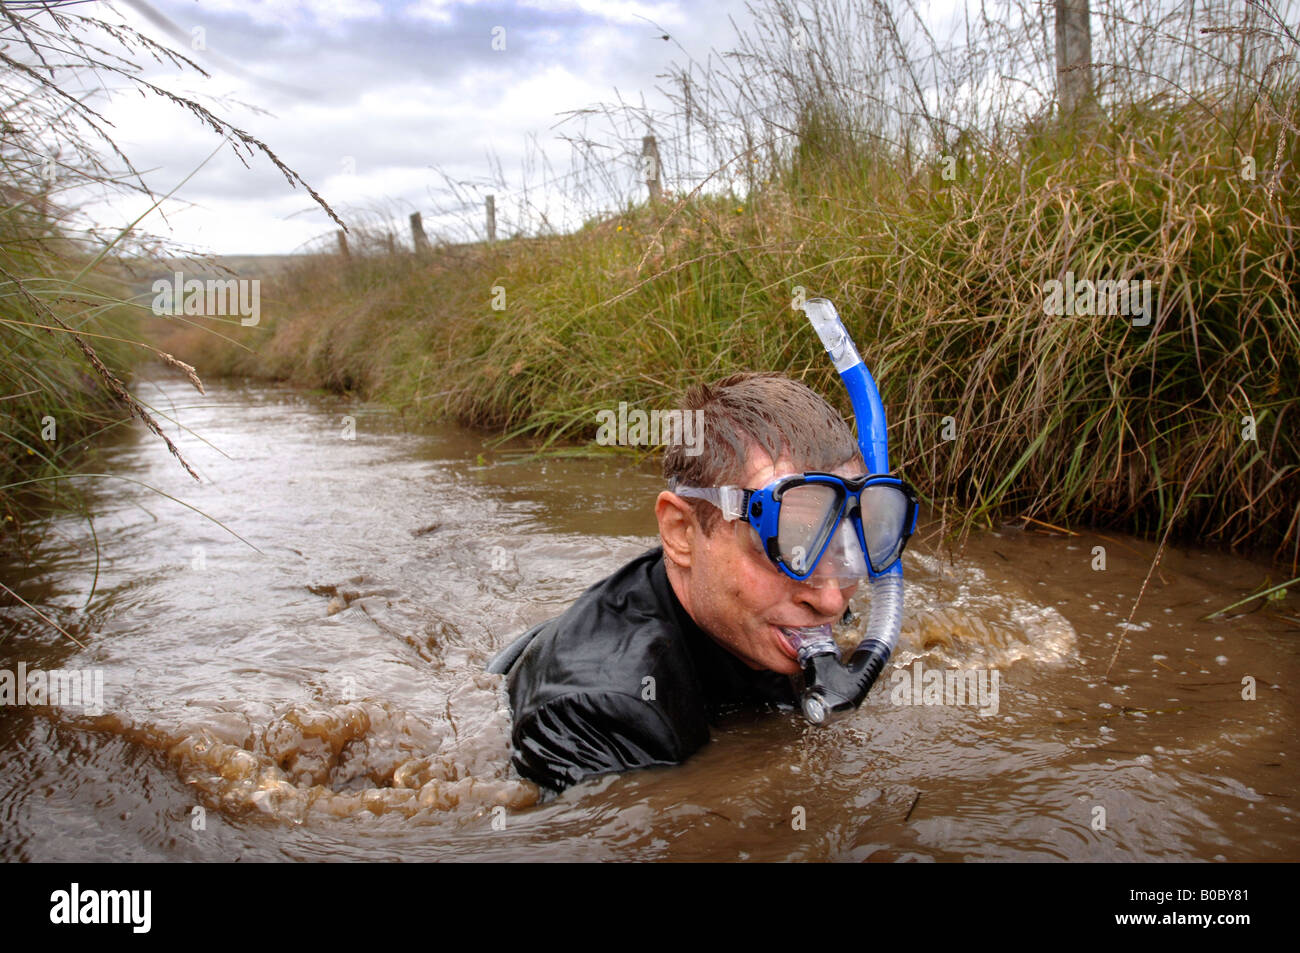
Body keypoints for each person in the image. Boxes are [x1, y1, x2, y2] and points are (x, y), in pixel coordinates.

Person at [492, 371, 890, 794]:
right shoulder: (600, 715)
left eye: (851, 539)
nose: (831, 601)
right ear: (682, 532)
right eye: (788, 540)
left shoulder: (785, 601)